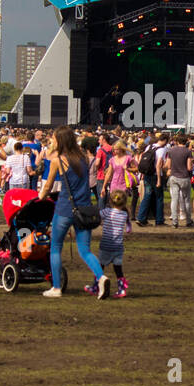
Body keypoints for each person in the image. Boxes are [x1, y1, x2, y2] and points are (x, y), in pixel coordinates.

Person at [39, 126, 109, 299]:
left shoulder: (58, 160)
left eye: (54, 139)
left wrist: (40, 197)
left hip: (64, 209)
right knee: (85, 250)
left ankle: (56, 287)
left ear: (60, 141)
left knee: (55, 247)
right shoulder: (83, 158)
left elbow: (48, 185)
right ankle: (101, 277)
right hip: (84, 209)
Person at [86, 190, 130, 298]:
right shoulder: (124, 214)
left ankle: (96, 286)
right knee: (118, 269)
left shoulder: (107, 212)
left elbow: (97, 215)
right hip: (118, 247)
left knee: (99, 267)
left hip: (106, 245)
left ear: (110, 201)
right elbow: (128, 225)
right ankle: (121, 289)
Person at [165, 134, 194, 228]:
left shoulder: (171, 151)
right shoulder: (188, 151)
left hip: (174, 176)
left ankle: (174, 221)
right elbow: (189, 167)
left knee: (174, 200)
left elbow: (168, 165)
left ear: (177, 141)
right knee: (186, 200)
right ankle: (188, 221)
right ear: (186, 142)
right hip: (184, 177)